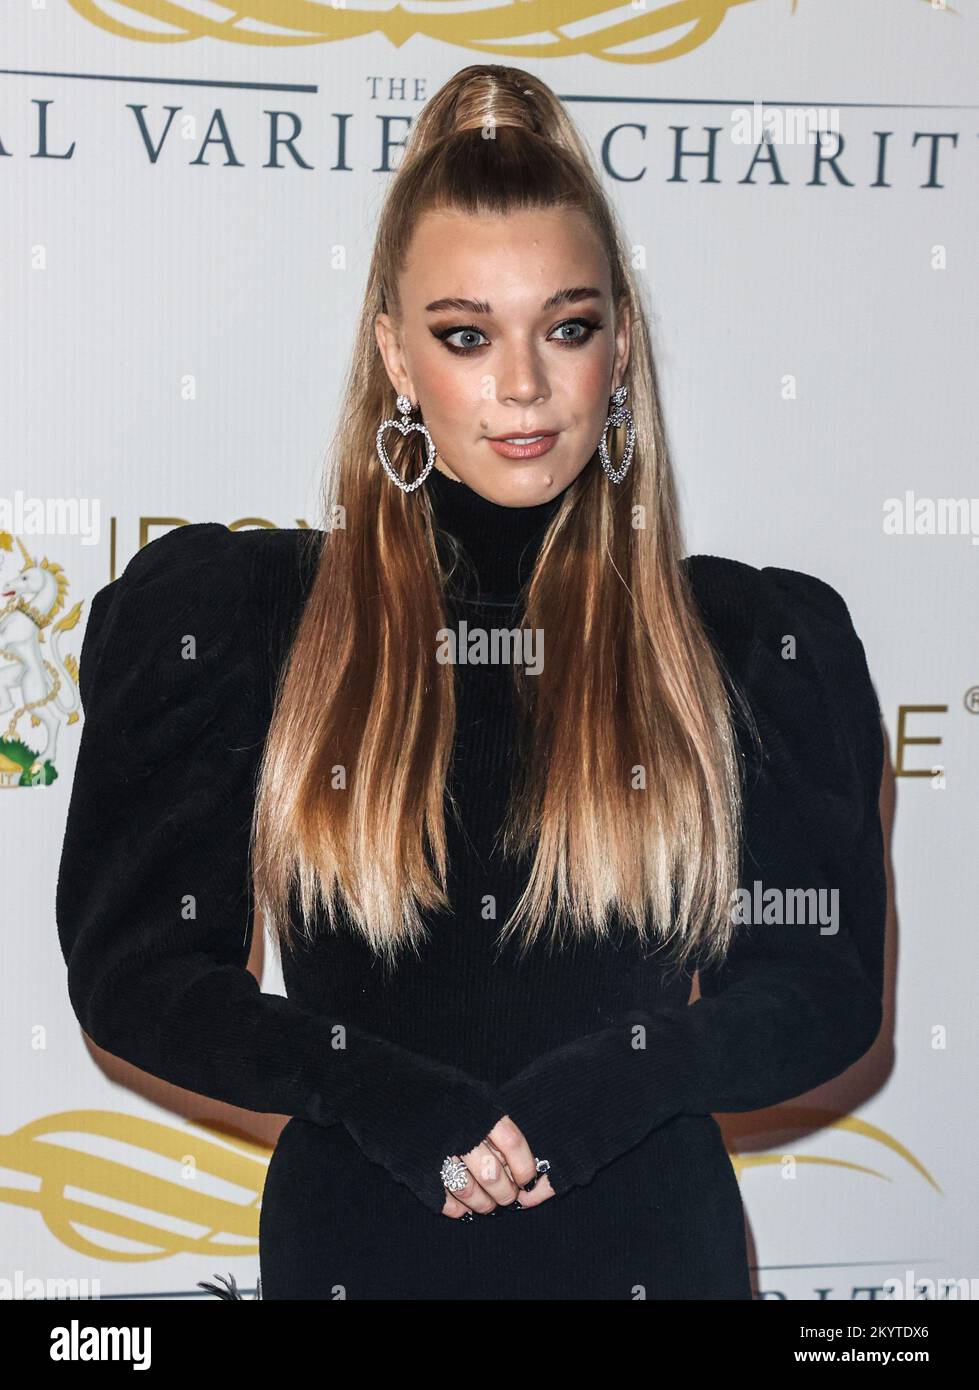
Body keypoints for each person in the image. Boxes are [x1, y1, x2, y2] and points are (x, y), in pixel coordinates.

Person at [55, 64, 887, 1300]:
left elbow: (817, 987)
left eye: (566, 326)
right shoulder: (248, 624)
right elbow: (137, 972)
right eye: (463, 333)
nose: (520, 386)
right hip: (365, 1246)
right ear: (395, 351)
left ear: (619, 346)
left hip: (648, 1250)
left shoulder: (743, 641)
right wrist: (366, 1081)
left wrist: (622, 1079)